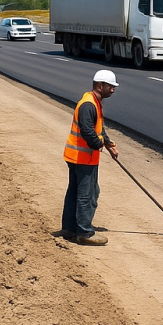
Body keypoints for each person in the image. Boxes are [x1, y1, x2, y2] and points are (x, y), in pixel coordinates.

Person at [60, 70, 120, 246]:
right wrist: (100, 143)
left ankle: (70, 229)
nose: (113, 91)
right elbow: (90, 134)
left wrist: (109, 144)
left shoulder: (93, 102)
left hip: (77, 156)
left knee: (75, 193)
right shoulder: (88, 105)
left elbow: (98, 129)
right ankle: (85, 232)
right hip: (83, 158)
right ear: (100, 85)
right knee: (88, 195)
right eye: (111, 87)